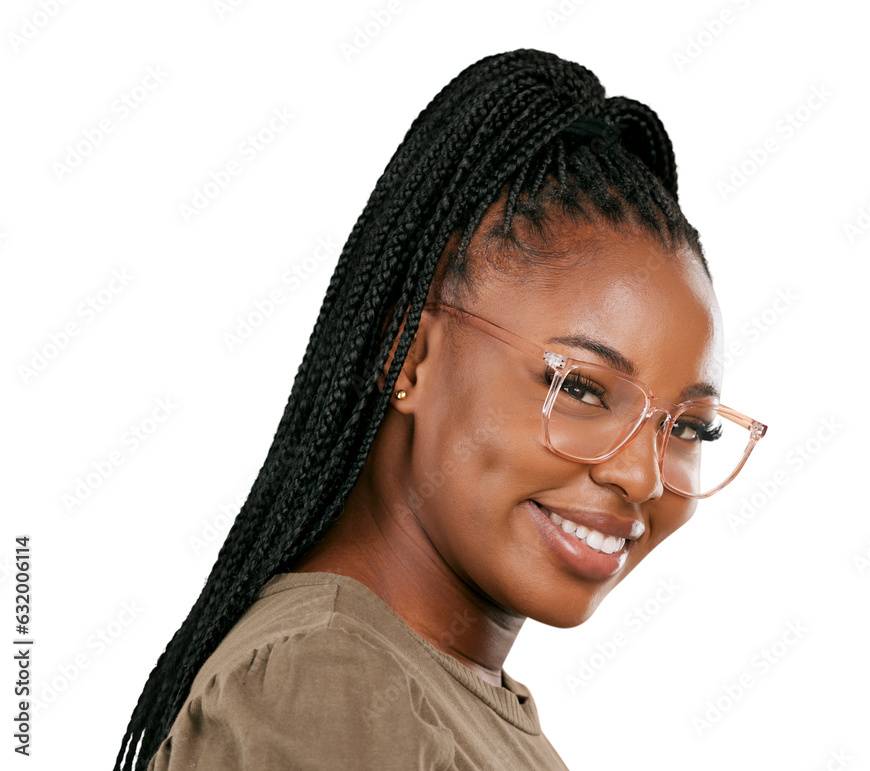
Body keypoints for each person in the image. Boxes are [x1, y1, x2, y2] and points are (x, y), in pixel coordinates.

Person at [115, 48, 767, 770]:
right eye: (582, 388)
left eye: (687, 428)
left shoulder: (429, 691)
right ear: (408, 357)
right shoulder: (326, 683)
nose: (642, 476)